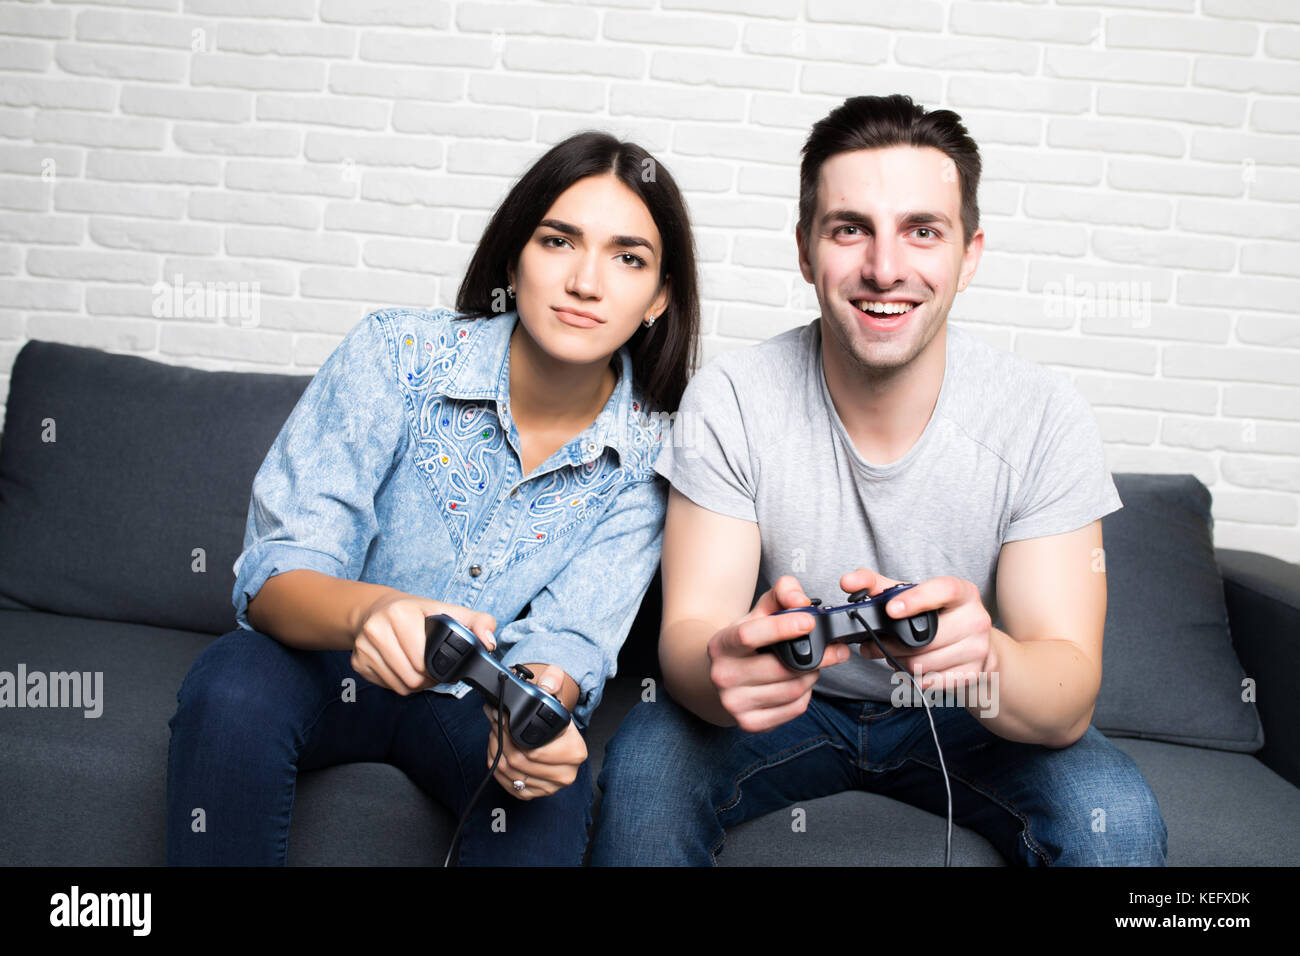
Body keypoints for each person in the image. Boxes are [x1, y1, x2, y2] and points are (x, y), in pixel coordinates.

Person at [590, 95, 1168, 867]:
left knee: (1117, 818)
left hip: (968, 716)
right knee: (645, 772)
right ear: (804, 250)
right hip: (789, 706)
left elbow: (1066, 699)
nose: (884, 268)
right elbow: (690, 641)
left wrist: (986, 660)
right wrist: (729, 660)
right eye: (850, 228)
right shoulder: (732, 396)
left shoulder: (1042, 415)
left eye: (922, 231)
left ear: (970, 254)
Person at [166, 130, 700, 866]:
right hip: (328, 664)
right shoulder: (394, 354)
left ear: (660, 297)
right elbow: (274, 577)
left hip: (474, 709)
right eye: (558, 242)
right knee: (234, 683)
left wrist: (537, 711)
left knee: (551, 784)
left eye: (628, 258)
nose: (586, 282)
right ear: (515, 257)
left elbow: (572, 635)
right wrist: (374, 613)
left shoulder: (652, 455)